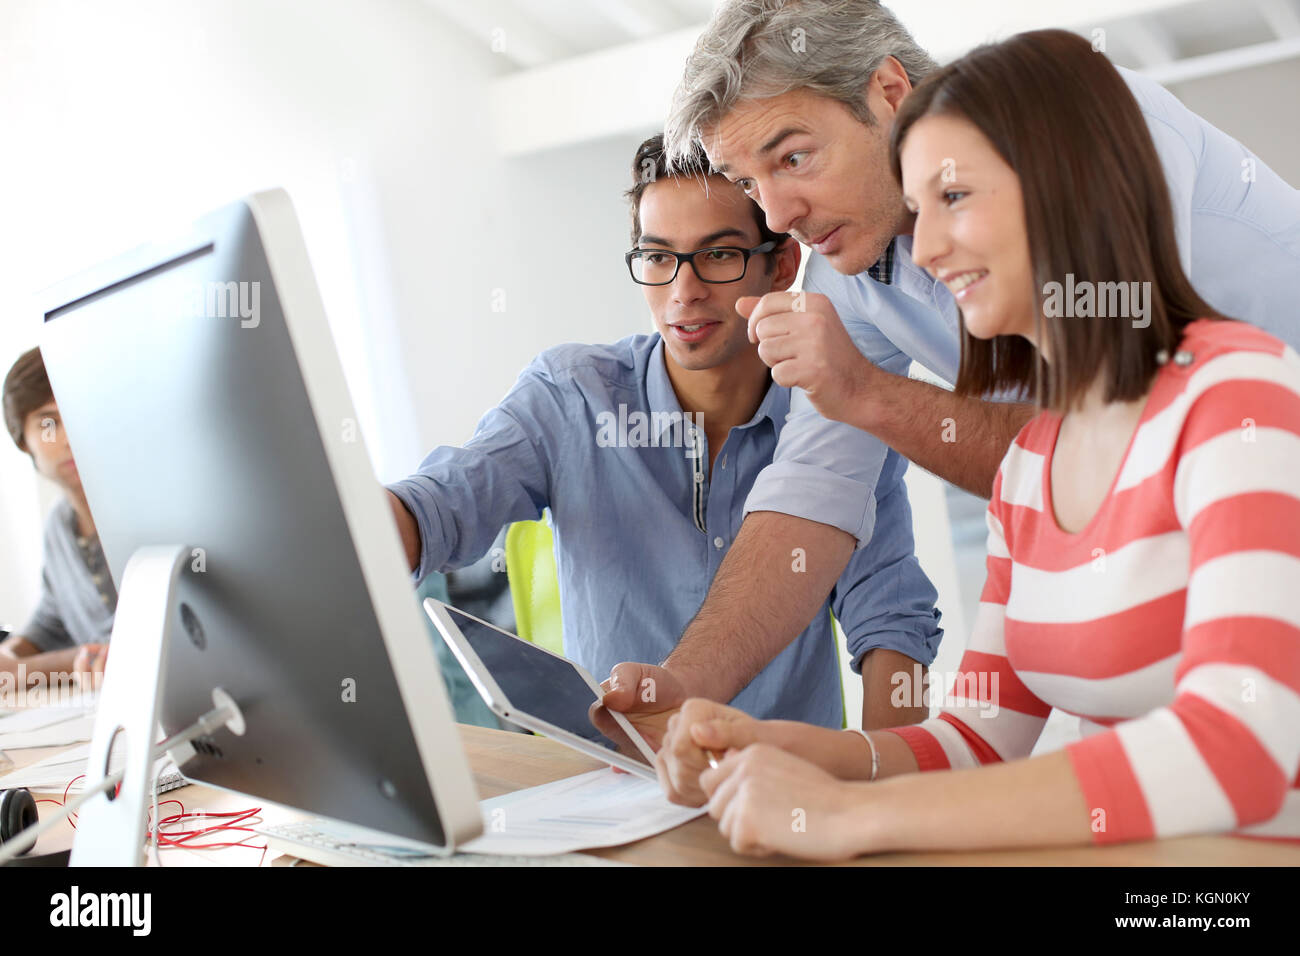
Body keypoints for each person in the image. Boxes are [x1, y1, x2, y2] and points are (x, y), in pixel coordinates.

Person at [653, 29, 1300, 858]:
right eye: (919, 211)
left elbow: (1236, 745)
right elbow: (977, 739)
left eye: (953, 201)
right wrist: (777, 749)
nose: (921, 254)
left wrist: (851, 817)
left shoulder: (1239, 395)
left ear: (1065, 189)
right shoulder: (1031, 466)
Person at [385, 134, 942, 740]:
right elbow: (441, 505)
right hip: (613, 783)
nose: (683, 291)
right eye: (657, 258)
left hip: (783, 786)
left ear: (781, 265)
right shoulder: (571, 396)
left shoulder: (835, 416)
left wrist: (880, 785)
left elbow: (890, 619)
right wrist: (363, 526)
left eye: (719, 255)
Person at [1, 347, 111, 686]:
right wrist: (10, 655)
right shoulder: (59, 527)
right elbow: (49, 626)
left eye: (79, 412)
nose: (69, 437)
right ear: (23, 439)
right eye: (49, 423)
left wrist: (19, 673)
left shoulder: (152, 509)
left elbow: (130, 647)